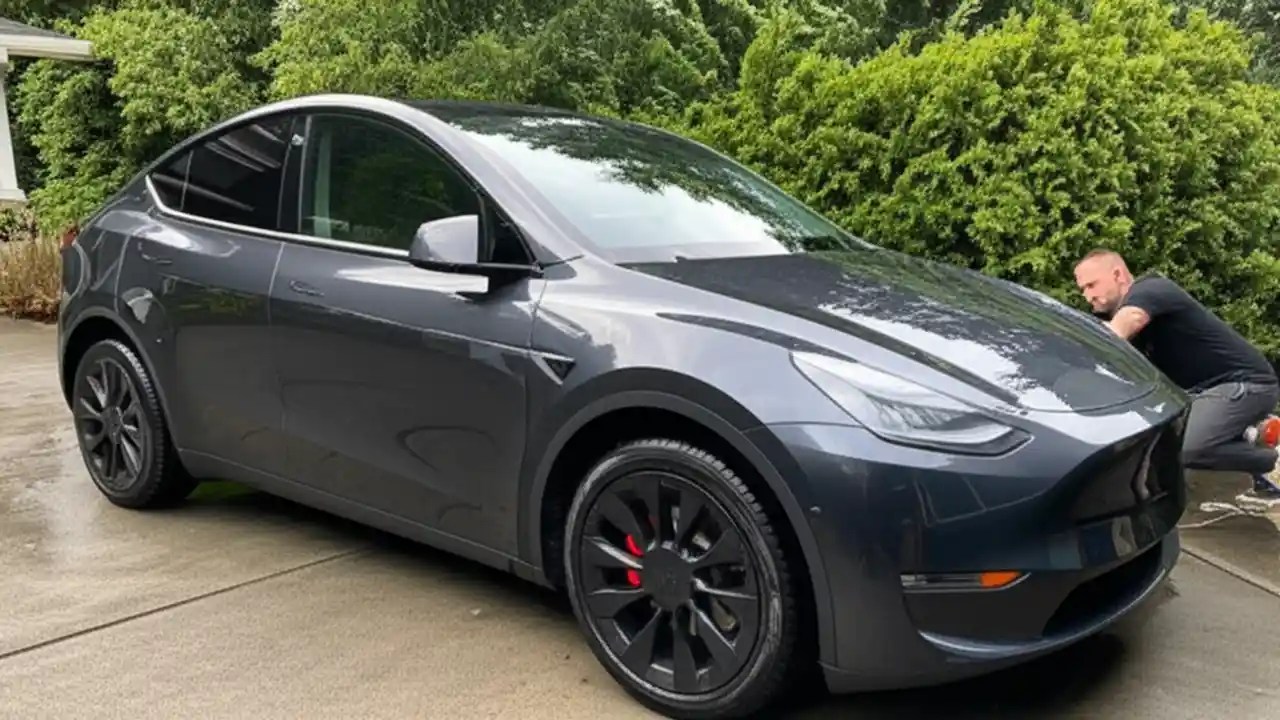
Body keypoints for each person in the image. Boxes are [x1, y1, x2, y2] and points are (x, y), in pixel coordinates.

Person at [1073, 248, 1280, 507]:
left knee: (1187, 450)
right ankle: (1252, 437)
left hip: (1245, 383)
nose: (1087, 296)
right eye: (1082, 289)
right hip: (1199, 395)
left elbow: (1125, 325)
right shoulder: (1120, 316)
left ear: (1118, 275)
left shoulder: (1151, 289)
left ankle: (1270, 461)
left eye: (1092, 285)